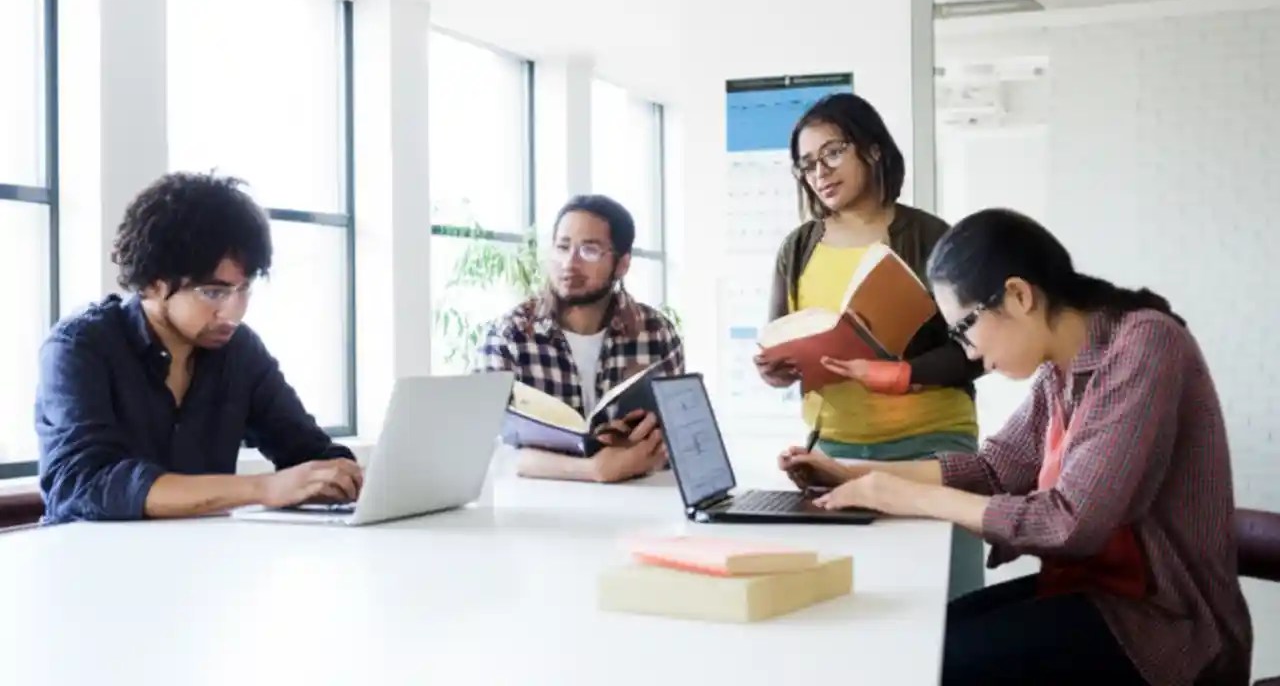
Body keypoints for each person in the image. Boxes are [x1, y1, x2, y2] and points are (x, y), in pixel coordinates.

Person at [781, 208, 1253, 685]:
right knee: (913, 641)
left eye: (964, 328)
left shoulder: (1145, 345)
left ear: (1019, 295)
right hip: (1094, 593)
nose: (965, 352)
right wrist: (850, 474)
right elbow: (993, 470)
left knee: (926, 666)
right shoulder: (1059, 370)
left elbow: (1072, 525)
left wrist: (909, 496)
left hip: (1165, 624)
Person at [755, 92, 984, 596]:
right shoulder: (798, 247)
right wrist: (774, 370)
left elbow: (981, 348)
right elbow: (778, 338)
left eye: (833, 152)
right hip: (834, 449)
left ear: (873, 150)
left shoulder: (929, 237)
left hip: (932, 446)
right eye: (807, 163)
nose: (820, 171)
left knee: (947, 606)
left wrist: (904, 373)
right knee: (859, 601)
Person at [36, 173, 363, 524]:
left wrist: (343, 476)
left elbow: (308, 452)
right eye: (214, 292)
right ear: (155, 283)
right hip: (87, 563)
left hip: (203, 562)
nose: (233, 311)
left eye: (244, 289)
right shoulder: (79, 346)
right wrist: (263, 488)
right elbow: (86, 483)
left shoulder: (240, 351)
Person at [476, 195, 684, 483]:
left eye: (589, 250)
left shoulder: (656, 333)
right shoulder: (509, 337)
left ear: (622, 264)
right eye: (562, 247)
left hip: (641, 501)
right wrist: (595, 469)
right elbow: (488, 449)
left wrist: (647, 441)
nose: (569, 263)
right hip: (543, 514)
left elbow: (679, 441)